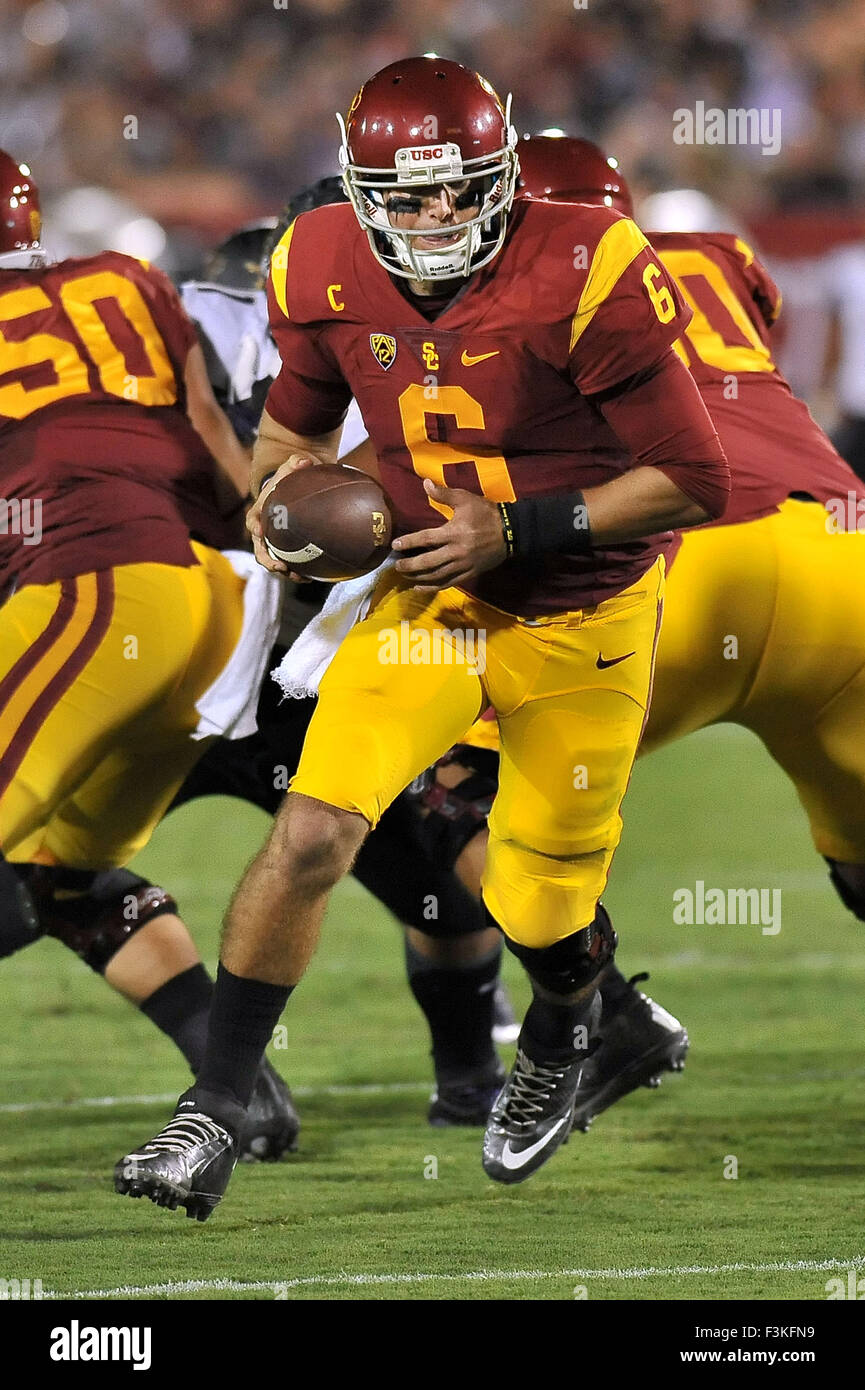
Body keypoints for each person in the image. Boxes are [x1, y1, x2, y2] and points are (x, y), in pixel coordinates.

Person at [116, 55, 728, 1220]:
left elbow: (695, 476)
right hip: (428, 609)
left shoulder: (588, 263)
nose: (436, 217)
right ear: (354, 186)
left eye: (460, 189)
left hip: (580, 612)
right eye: (405, 193)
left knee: (537, 904)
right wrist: (287, 511)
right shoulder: (319, 256)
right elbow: (285, 443)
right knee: (310, 831)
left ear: (500, 176)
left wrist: (516, 527)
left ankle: (570, 1031)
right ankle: (215, 1110)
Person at [451, 133, 865, 1131]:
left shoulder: (507, 295)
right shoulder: (716, 258)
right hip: (836, 541)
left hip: (683, 565)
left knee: (451, 784)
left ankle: (601, 1011)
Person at [0, 148, 297, 1158]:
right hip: (216, 611)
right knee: (62, 874)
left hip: (91, 585)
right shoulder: (125, 280)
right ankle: (235, 1080)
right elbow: (213, 433)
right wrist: (277, 540)